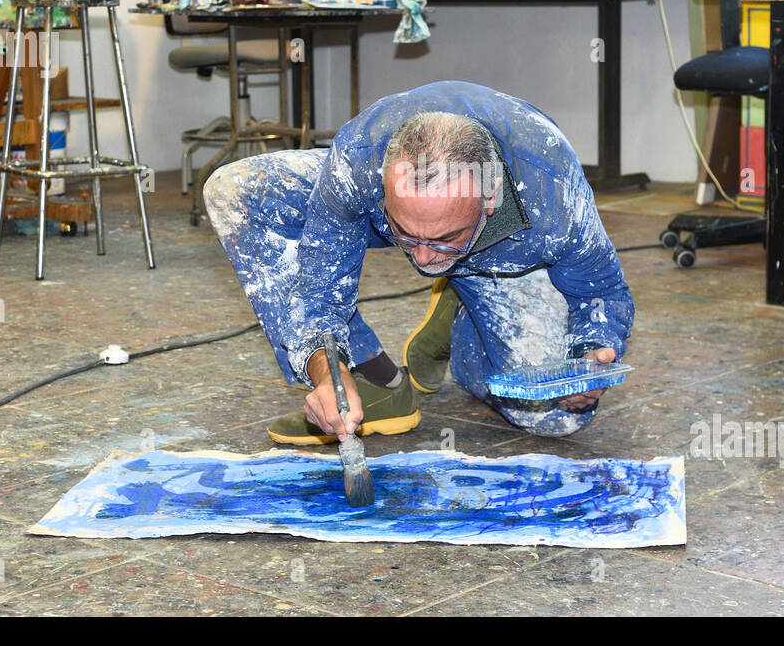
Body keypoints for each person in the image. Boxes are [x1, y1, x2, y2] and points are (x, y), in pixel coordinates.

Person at [203, 80, 633, 444]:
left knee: (554, 415)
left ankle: (465, 311)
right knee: (237, 191)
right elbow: (319, 290)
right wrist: (326, 372)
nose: (425, 260)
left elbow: (601, 290)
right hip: (375, 202)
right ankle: (371, 379)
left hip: (504, 258)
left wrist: (587, 360)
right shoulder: (358, 162)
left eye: (445, 239)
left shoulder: (552, 196)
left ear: (491, 197)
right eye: (409, 236)